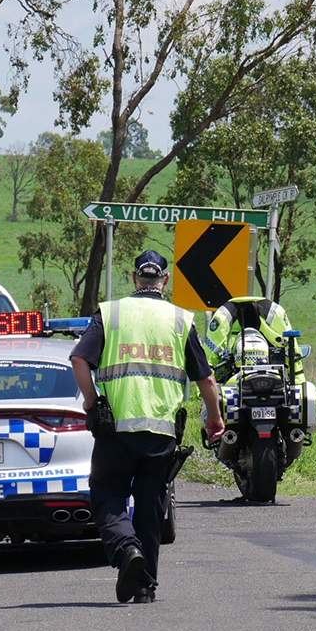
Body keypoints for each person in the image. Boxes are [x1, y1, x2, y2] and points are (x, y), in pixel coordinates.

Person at [70, 250, 226, 604]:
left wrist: (92, 401)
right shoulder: (180, 320)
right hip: (161, 432)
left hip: (116, 429)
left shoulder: (111, 313)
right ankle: (144, 586)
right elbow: (206, 379)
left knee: (107, 494)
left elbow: (80, 358)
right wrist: (215, 417)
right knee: (151, 505)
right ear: (164, 280)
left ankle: (127, 551)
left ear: (134, 277)